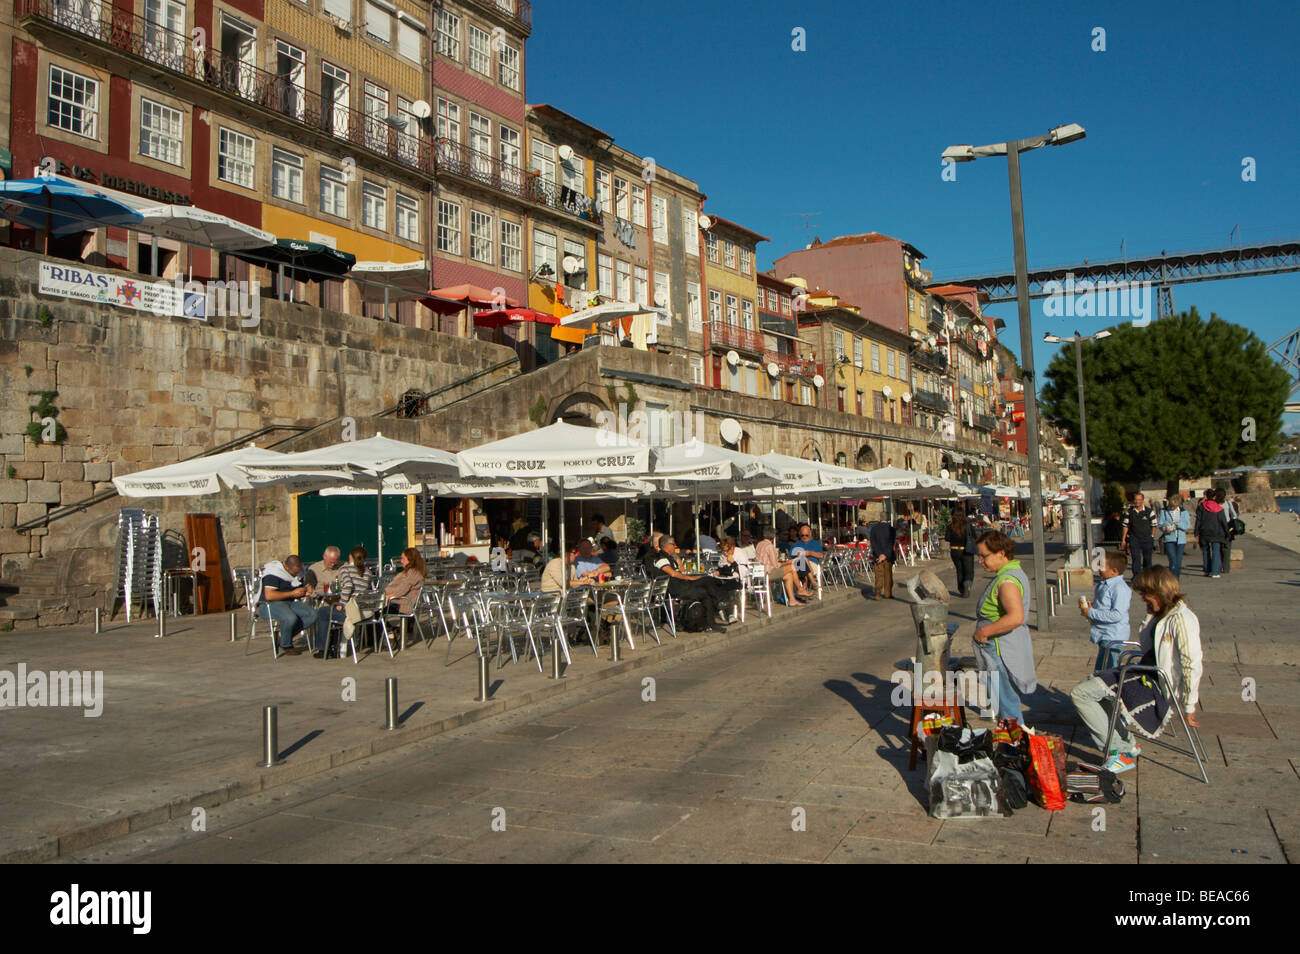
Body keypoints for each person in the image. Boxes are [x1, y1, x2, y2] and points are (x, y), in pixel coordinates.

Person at [1070, 566, 1202, 774]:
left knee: (1081, 693)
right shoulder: (1162, 613)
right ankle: (1126, 745)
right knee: (1093, 687)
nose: (1142, 599)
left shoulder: (1180, 619)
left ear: (1160, 591)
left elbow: (1191, 663)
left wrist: (1189, 703)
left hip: (1155, 682)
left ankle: (1118, 751)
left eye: (1145, 594)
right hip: (1141, 672)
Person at [971, 531, 1036, 723]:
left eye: (984, 556)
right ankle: (1012, 741)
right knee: (1006, 700)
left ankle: (1014, 744)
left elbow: (1015, 617)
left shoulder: (1007, 581)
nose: (981, 561)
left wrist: (984, 631)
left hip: (998, 648)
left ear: (1001, 553)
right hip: (1002, 645)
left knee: (1006, 704)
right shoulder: (1010, 574)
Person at [647, 536, 735, 632]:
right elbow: (673, 573)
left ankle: (712, 621)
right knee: (706, 583)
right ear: (667, 546)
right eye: (673, 544)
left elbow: (681, 570)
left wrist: (683, 567)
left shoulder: (671, 558)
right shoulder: (661, 559)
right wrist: (690, 578)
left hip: (683, 586)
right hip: (675, 590)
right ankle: (719, 603)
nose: (675, 546)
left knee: (706, 586)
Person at [314, 545, 371, 657]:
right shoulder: (368, 572)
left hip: (350, 612)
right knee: (329, 612)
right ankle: (334, 645)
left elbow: (348, 586)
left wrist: (342, 603)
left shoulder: (345, 569)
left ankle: (323, 649)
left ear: (350, 556)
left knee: (323, 612)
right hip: (363, 612)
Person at [1079, 551, 1132, 672]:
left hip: (1113, 636)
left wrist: (1091, 612)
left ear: (1114, 571)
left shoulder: (1119, 588)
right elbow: (1103, 606)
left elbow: (1117, 615)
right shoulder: (1103, 585)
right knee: (1102, 668)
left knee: (1107, 671)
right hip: (1104, 634)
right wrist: (1089, 608)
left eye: (1102, 566)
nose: (1098, 568)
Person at [258, 554, 317, 656]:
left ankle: (283, 637)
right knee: (290, 618)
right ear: (286, 567)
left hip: (289, 602)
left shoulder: (300, 572)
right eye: (294, 573)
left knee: (312, 614)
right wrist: (292, 593)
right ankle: (286, 645)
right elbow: (269, 595)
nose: (295, 575)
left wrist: (306, 590)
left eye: (298, 572)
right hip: (270, 604)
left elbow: (299, 586)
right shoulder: (273, 573)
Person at [754, 527, 809, 606]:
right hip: (768, 573)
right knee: (791, 567)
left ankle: (792, 600)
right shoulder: (770, 546)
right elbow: (775, 565)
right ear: (773, 536)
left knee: (788, 575)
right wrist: (787, 562)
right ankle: (800, 589)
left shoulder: (759, 544)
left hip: (759, 573)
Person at [1120, 492, 1158, 581]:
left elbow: (1154, 525)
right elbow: (1125, 525)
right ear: (1134, 500)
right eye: (1136, 500)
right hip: (1134, 538)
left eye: (1139, 500)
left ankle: (1147, 577)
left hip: (1147, 538)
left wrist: (1152, 536)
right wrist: (1123, 539)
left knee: (1147, 559)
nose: (1137, 502)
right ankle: (1136, 576)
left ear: (1142, 501)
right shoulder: (1129, 512)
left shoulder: (1149, 511)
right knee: (1136, 558)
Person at [1194, 490, 1230, 578]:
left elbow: (1198, 520)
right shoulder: (1218, 508)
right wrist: (1227, 533)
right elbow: (1223, 522)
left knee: (1205, 551)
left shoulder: (1201, 507)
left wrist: (1196, 532)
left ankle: (1207, 570)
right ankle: (1215, 572)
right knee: (1216, 551)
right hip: (1217, 532)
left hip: (1204, 532)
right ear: (1214, 497)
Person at [946, 505, 978, 598]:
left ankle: (961, 589)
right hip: (967, 550)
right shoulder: (968, 525)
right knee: (969, 570)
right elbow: (975, 536)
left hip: (955, 551)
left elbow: (947, 538)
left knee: (959, 570)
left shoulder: (950, 526)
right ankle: (967, 582)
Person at [383, 547, 426, 616]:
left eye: (403, 558)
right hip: (404, 602)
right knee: (377, 612)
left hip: (404, 605)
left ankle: (386, 626)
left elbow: (402, 590)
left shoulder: (413, 573)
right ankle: (388, 626)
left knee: (376, 613)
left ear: (410, 560)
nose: (401, 561)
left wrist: (387, 597)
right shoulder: (413, 572)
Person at [1158, 495, 1191, 579]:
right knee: (1172, 560)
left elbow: (1186, 526)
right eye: (1171, 505)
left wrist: (1177, 524)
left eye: (1174, 506)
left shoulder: (1184, 512)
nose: (1172, 507)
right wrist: (1165, 527)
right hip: (1169, 538)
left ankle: (1176, 579)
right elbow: (1160, 524)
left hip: (1180, 540)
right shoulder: (1164, 511)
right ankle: (1172, 579)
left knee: (1178, 561)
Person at [788, 523, 824, 594]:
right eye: (802, 535)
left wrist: (810, 553)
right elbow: (790, 557)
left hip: (813, 564)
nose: (804, 537)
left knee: (803, 564)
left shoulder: (816, 543)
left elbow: (821, 556)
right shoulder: (796, 545)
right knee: (803, 560)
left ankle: (803, 589)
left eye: (806, 535)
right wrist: (797, 555)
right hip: (798, 565)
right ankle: (813, 582)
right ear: (799, 535)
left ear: (810, 534)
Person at [868, 516, 896, 600]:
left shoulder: (874, 529)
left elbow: (873, 543)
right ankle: (888, 593)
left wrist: (879, 554)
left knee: (879, 575)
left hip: (877, 556)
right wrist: (885, 555)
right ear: (887, 519)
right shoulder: (891, 529)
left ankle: (878, 593)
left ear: (880, 518)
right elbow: (891, 544)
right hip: (888, 556)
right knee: (888, 575)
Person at [1219, 489, 1239, 575]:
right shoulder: (1227, 503)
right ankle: (1226, 568)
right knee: (1227, 548)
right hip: (1227, 526)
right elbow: (1234, 515)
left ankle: (1218, 566)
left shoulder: (1214, 504)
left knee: (1218, 548)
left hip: (1218, 527)